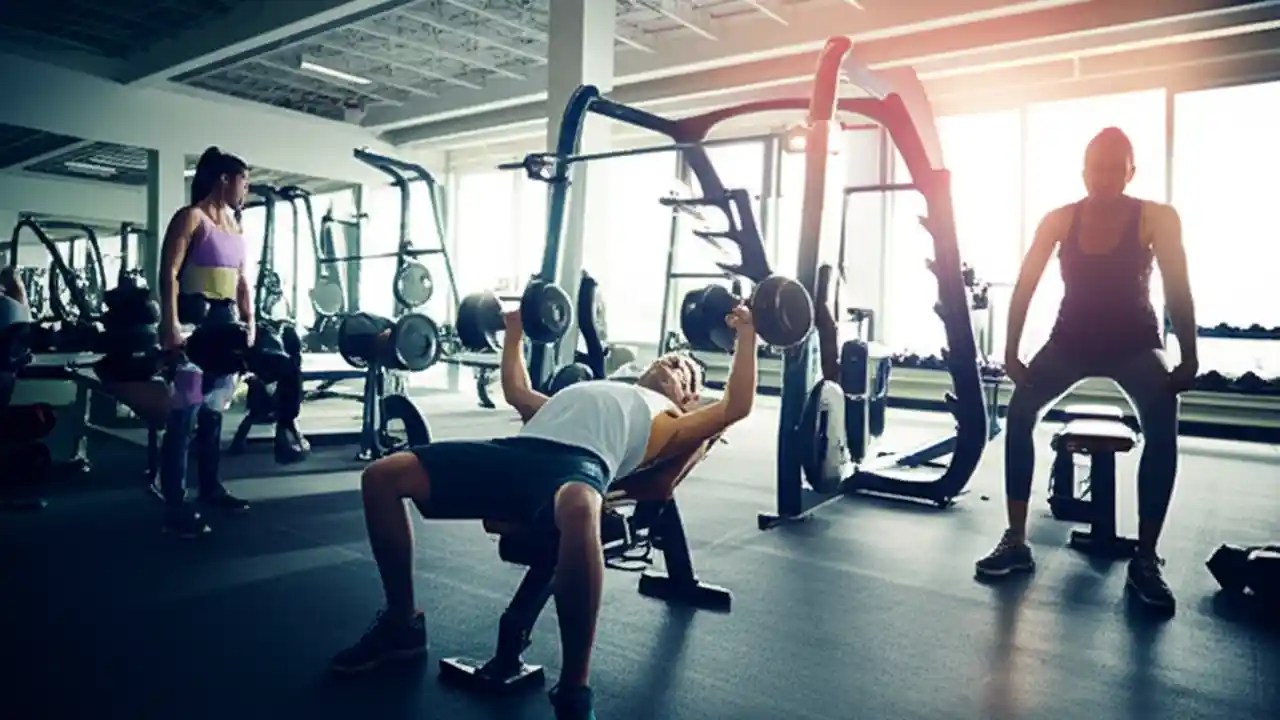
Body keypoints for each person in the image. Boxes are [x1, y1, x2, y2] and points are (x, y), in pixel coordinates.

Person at [329, 304, 758, 720]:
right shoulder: (596, 389)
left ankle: (574, 689)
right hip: (513, 452)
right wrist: (515, 330)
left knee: (577, 508)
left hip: (579, 465)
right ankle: (402, 623)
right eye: (668, 358)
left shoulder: (674, 420)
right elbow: (517, 391)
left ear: (689, 396)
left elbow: (735, 407)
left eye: (683, 369)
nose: (671, 363)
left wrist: (747, 334)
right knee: (384, 475)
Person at [975, 127, 1196, 613]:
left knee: (1163, 420)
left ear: (1130, 171)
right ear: (1083, 171)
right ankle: (1015, 539)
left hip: (1135, 344)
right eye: (1097, 167)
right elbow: (1026, 284)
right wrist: (1012, 351)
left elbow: (1178, 286)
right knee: (1020, 411)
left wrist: (1190, 354)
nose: (1105, 177)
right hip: (1070, 342)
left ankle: (1145, 558)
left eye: (1116, 168)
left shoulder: (1156, 217)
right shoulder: (1059, 219)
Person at [156, 147, 257, 537]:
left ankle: (210, 488)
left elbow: (243, 280)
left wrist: (251, 321)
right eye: (243, 181)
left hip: (226, 325)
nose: (245, 189)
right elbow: (169, 274)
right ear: (224, 180)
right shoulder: (190, 218)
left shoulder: (234, 227)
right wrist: (170, 323)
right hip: (194, 328)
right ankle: (175, 504)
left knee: (214, 412)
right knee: (184, 416)